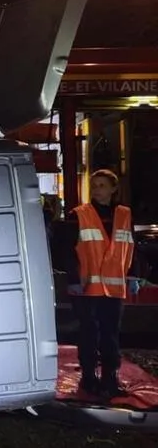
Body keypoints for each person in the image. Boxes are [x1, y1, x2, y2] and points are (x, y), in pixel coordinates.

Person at [55, 169, 142, 399]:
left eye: (102, 185)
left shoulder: (124, 215)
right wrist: (73, 279)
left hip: (113, 288)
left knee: (110, 334)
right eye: (94, 186)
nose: (97, 190)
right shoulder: (79, 214)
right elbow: (66, 251)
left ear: (114, 189)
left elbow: (132, 247)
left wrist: (132, 275)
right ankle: (89, 378)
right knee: (89, 333)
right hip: (86, 288)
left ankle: (110, 378)